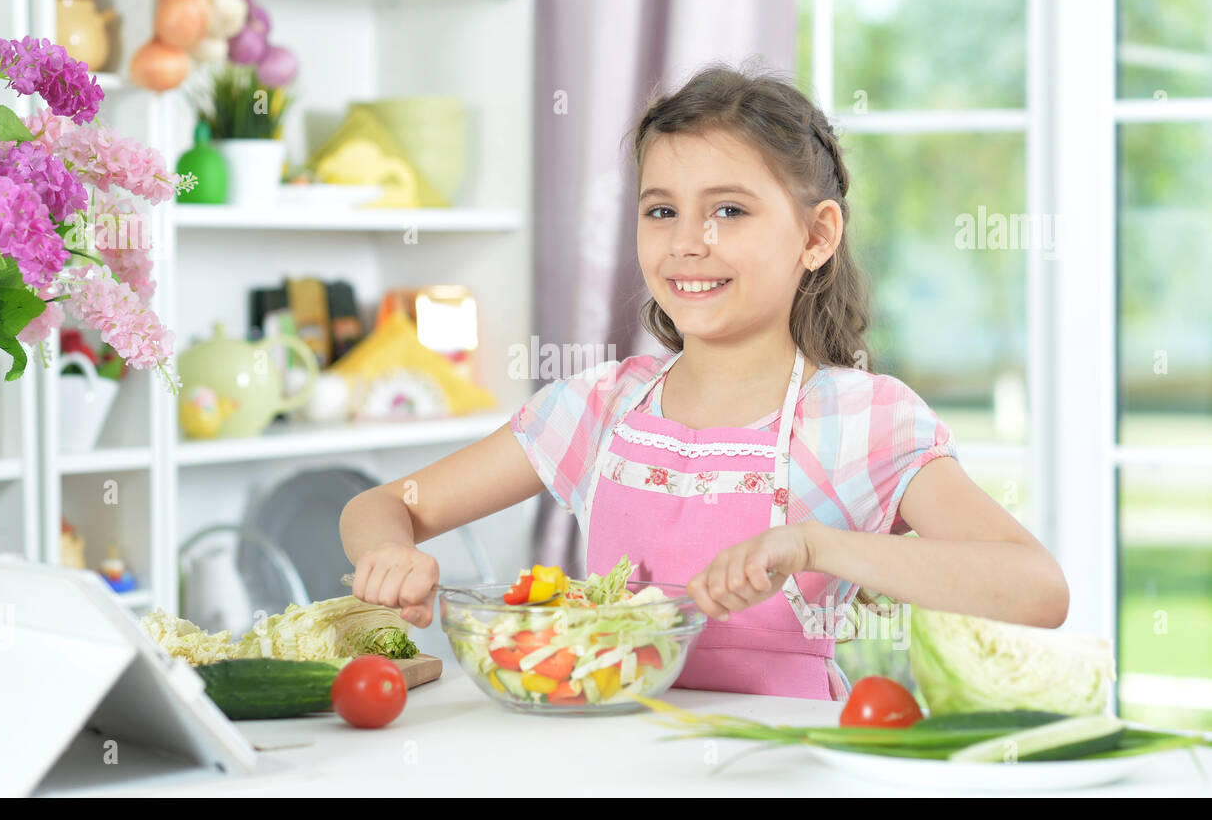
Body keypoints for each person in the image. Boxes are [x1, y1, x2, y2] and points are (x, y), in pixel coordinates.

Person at [341, 61, 1068, 701]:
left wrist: (817, 546)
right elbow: (386, 504)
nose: (690, 240)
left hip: (785, 769)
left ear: (816, 237)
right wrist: (388, 550)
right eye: (662, 210)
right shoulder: (599, 408)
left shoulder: (859, 420)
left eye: (729, 210)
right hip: (619, 762)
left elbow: (1038, 587)